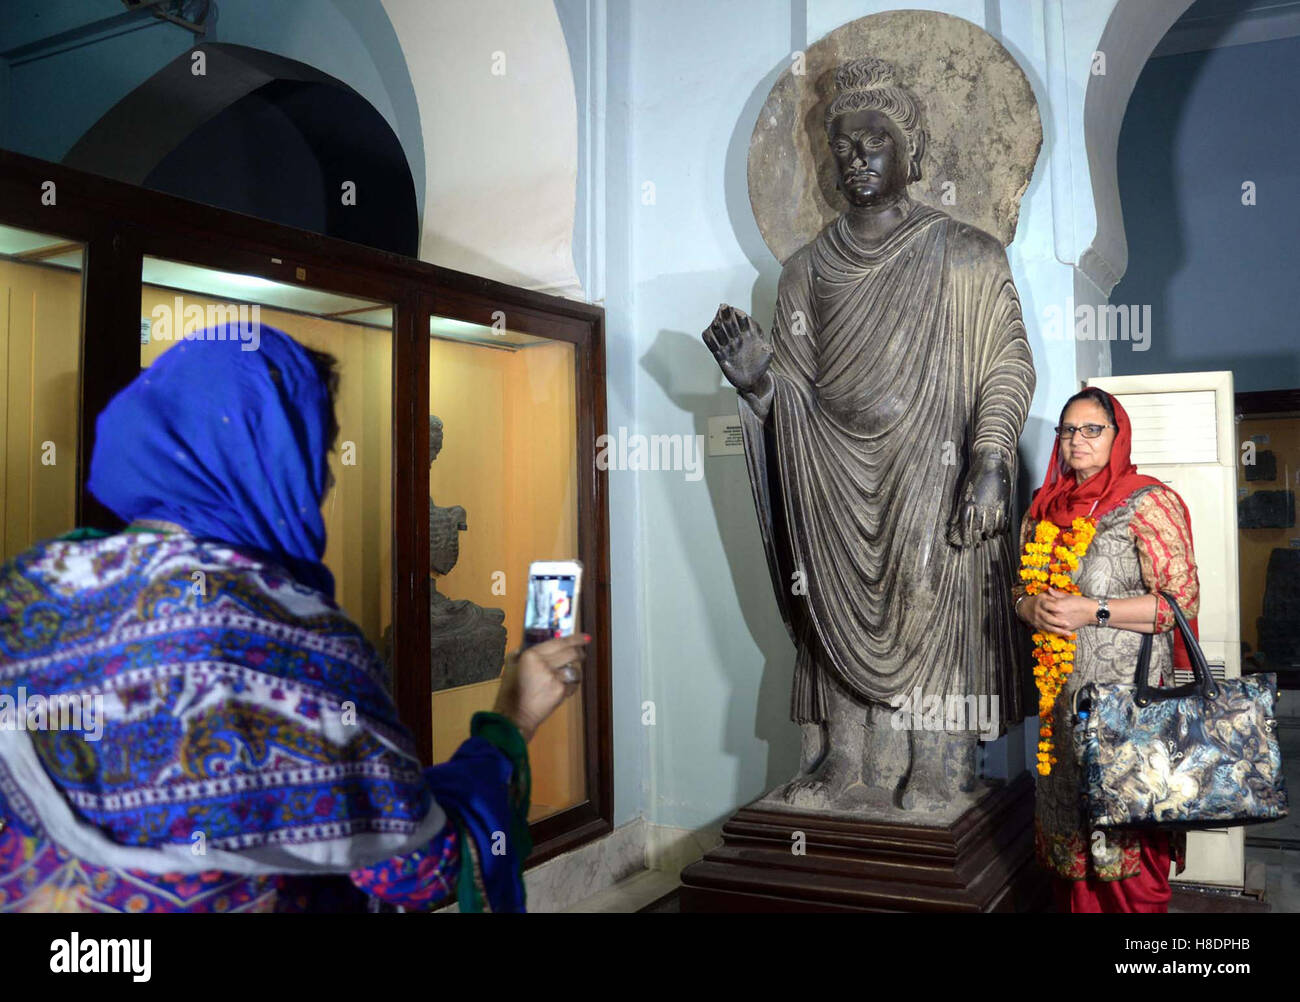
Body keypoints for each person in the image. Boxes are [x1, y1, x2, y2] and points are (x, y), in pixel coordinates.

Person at [0, 323, 585, 913]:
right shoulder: (299, 641)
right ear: (277, 458)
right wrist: (513, 719)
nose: (327, 481)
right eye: (316, 450)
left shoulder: (24, 591)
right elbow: (422, 868)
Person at [1014, 386, 1199, 913]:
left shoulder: (1146, 502)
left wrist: (1089, 609)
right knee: (1071, 849)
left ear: (1117, 436)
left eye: (1092, 429)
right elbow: (1017, 590)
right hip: (1062, 709)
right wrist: (1028, 608)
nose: (1078, 440)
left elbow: (1178, 606)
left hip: (1128, 712)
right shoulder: (1043, 509)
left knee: (1126, 847)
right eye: (1069, 430)